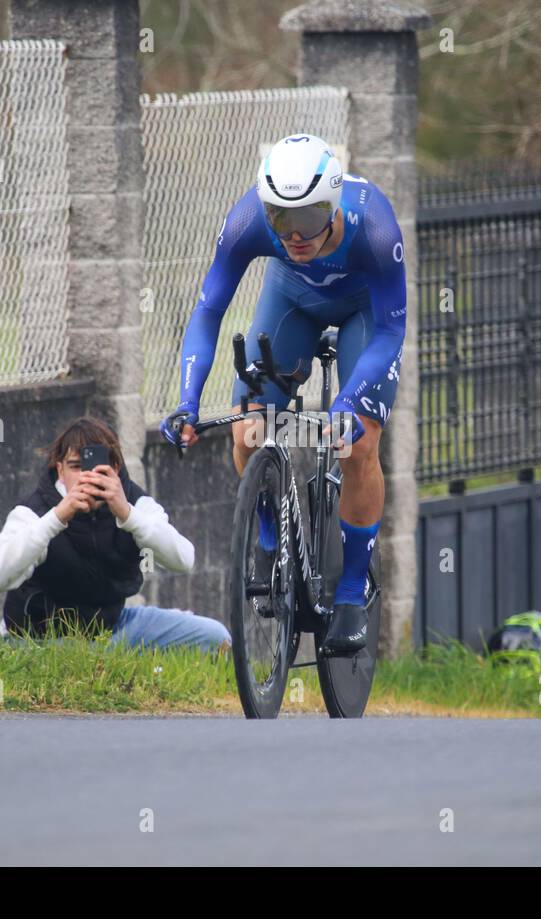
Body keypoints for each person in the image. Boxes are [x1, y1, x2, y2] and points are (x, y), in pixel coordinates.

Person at [158, 133, 406, 656]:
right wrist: (188, 400)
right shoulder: (248, 219)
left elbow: (388, 332)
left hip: (365, 315)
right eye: (280, 217)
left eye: (310, 218)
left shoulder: (376, 228)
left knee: (357, 444)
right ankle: (271, 531)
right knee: (249, 429)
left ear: (334, 205)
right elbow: (209, 311)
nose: (294, 234)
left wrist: (347, 405)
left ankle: (350, 589)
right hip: (291, 301)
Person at [0, 416, 230, 653]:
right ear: (60, 470)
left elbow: (184, 560)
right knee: (91, 660)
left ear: (114, 467)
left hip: (112, 627)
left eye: (95, 467)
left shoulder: (134, 502)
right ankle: (112, 662)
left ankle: (118, 658)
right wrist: (57, 518)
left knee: (215, 638)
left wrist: (127, 515)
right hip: (41, 637)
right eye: (75, 467)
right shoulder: (34, 512)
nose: (85, 477)